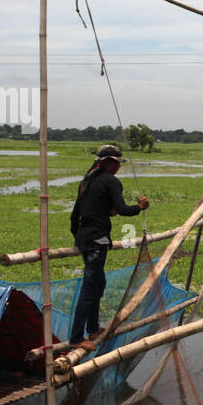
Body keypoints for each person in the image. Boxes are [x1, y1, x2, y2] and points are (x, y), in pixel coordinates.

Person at [68, 144, 149, 351]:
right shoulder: (111, 181)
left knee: (99, 283)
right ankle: (77, 337)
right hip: (98, 240)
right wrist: (139, 207)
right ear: (108, 163)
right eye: (116, 163)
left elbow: (75, 214)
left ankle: (93, 328)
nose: (118, 167)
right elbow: (123, 210)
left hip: (85, 238)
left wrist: (77, 237)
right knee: (89, 287)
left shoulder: (87, 181)